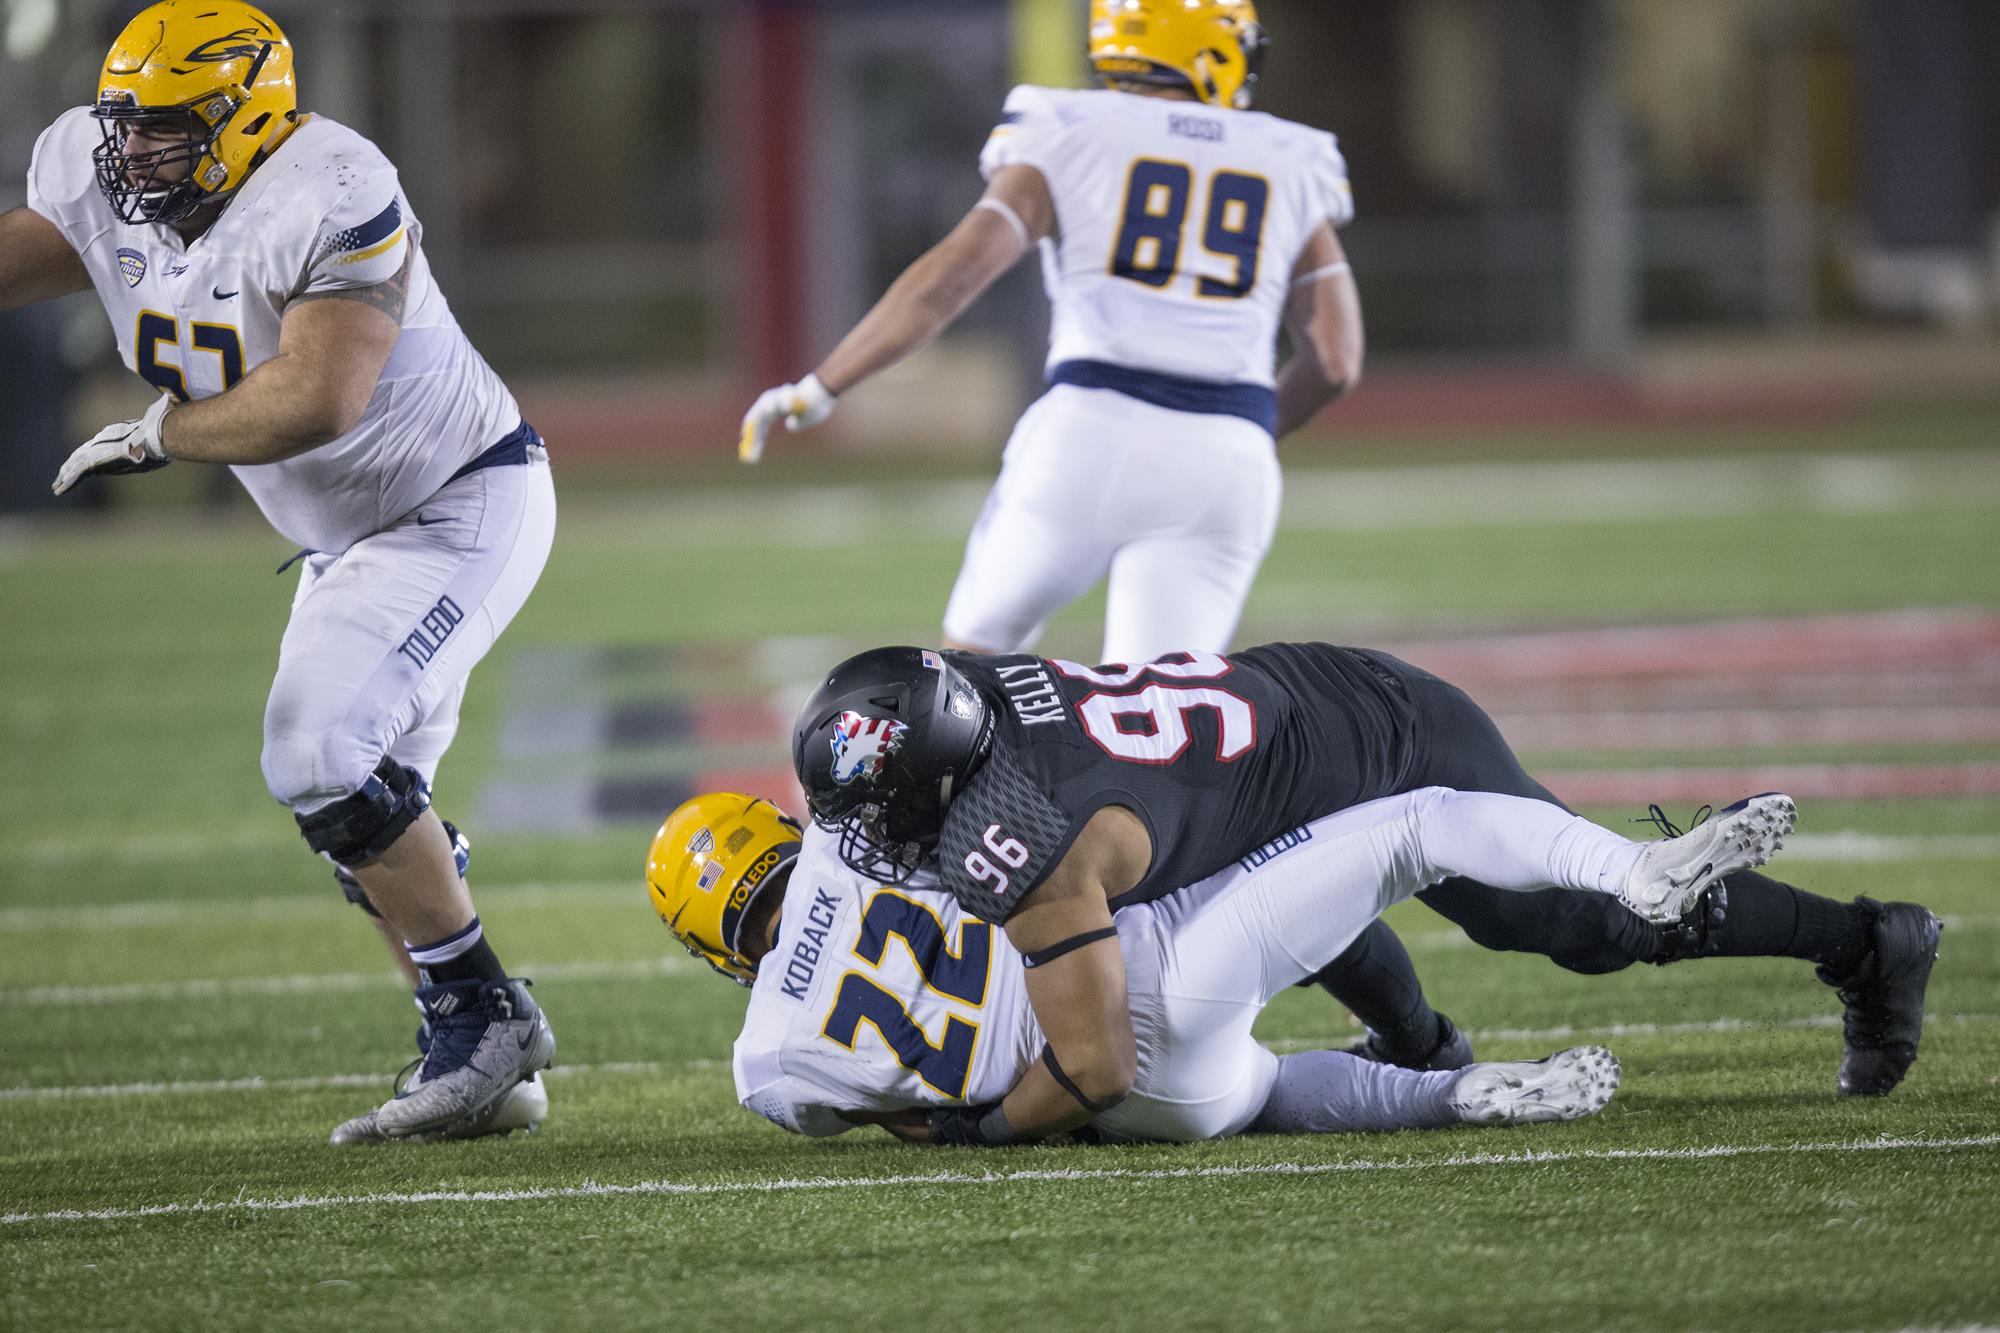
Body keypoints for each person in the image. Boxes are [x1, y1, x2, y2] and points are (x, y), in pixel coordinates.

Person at [2, 1, 552, 1143]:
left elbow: (318, 398)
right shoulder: (109, 175)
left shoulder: (335, 184)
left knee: (318, 753)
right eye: (125, 125)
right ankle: (481, 1060)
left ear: (250, 115)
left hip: (454, 502)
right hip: (343, 535)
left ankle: (486, 1019)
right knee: (375, 830)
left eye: (167, 126)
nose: (132, 151)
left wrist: (156, 434)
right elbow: (44, 250)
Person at [792, 645, 1940, 1144]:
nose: (870, 840)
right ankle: (1425, 1043)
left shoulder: (1018, 844)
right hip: (1306, 705)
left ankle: (1862, 942)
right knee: (1260, 902)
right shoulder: (975, 688)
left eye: (883, 809)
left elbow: (1096, 1070)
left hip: (1379, 747)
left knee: (1576, 929)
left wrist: (975, 1128)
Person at [736, 0, 1361, 666]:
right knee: (1155, 720)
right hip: (1226, 455)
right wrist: (1237, 435)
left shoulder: (1067, 125)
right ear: (1212, 49)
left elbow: (953, 275)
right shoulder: (1291, 155)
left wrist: (825, 384)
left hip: (1089, 432)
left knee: (969, 675)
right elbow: (1335, 361)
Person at [646, 788, 1774, 1143]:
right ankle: (1630, 869)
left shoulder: (768, 1068)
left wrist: (995, 1118)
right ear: (776, 830)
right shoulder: (852, 835)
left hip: (1119, 1104)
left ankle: (1450, 1093)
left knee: (1264, 1088)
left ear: (711, 943)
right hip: (1146, 967)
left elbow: (918, 1113)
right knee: (1411, 823)